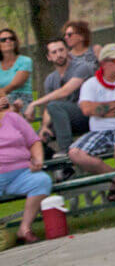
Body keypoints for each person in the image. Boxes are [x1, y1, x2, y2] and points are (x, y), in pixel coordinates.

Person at [67, 43, 115, 193]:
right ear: (104, 63)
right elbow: (86, 109)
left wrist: (101, 109)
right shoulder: (91, 84)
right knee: (75, 153)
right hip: (99, 131)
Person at [27, 38, 92, 154]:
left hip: (86, 115)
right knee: (33, 140)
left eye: (61, 50)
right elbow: (49, 108)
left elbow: (65, 91)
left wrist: (35, 103)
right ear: (49, 57)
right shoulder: (50, 79)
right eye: (54, 52)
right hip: (64, 121)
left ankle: (65, 152)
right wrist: (45, 126)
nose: (59, 54)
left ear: (67, 51)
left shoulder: (82, 67)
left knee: (55, 106)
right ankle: (60, 166)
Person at [0, 94, 50, 244]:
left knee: (42, 180)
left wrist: (38, 160)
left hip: (21, 173)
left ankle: (24, 229)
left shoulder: (13, 118)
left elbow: (34, 141)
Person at [0, 28, 33, 110]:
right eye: (3, 40)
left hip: (21, 99)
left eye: (11, 39)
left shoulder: (25, 61)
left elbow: (14, 85)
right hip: (2, 99)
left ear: (15, 42)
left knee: (9, 109)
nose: (8, 41)